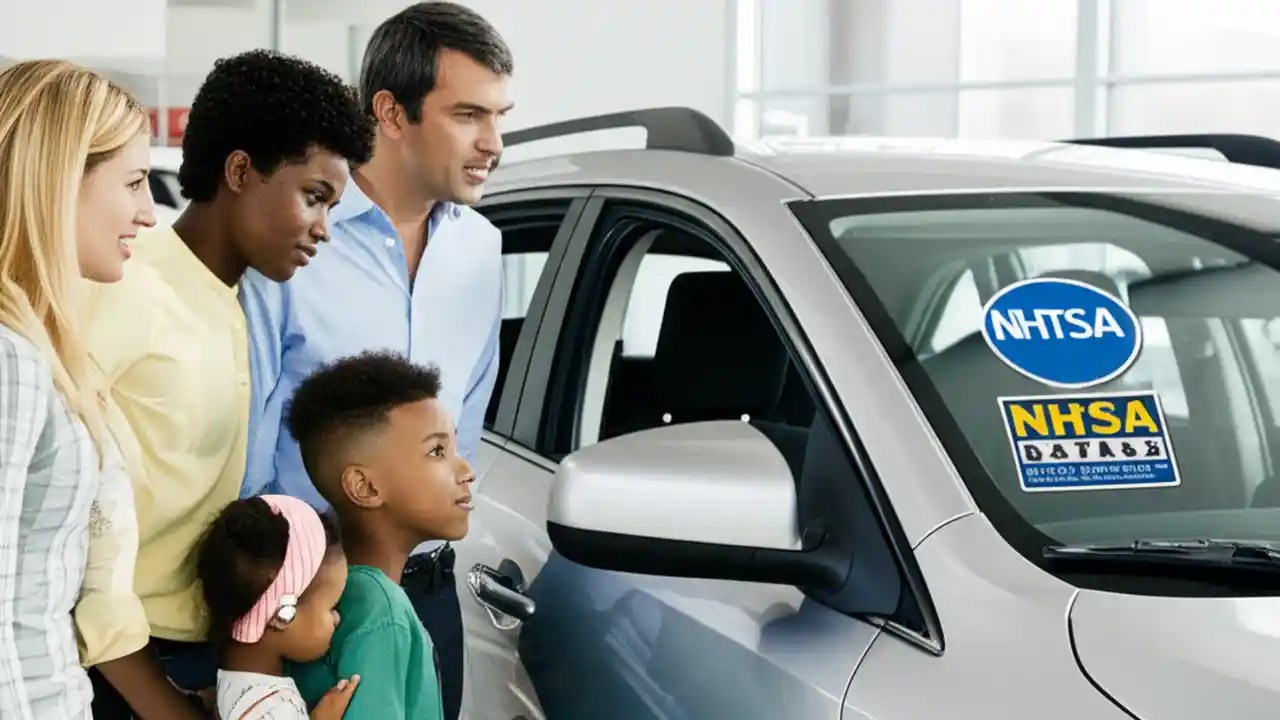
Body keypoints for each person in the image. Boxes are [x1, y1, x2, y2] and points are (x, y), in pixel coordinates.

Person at [81, 50, 373, 719]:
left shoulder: (232, 301)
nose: (324, 228)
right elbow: (74, 532)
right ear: (240, 171)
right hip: (119, 673)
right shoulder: (126, 285)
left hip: (193, 658)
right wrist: (160, 703)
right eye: (314, 197)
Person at [240, 5, 514, 717]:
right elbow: (243, 451)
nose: (493, 143)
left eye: (499, 116)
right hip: (304, 603)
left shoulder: (482, 249)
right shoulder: (295, 242)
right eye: (468, 115)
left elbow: (466, 427)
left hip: (429, 593)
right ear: (390, 112)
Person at [0, 59, 155, 718]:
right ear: (61, 181)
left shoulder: (36, 345)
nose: (149, 212)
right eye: (136, 182)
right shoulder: (12, 359)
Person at [282, 351, 476, 719]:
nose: (466, 470)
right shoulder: (381, 613)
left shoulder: (322, 599)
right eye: (437, 451)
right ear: (365, 487)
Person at [196, 494, 359, 720]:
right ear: (283, 616)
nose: (337, 618)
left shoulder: (234, 679)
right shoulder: (271, 710)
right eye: (331, 607)